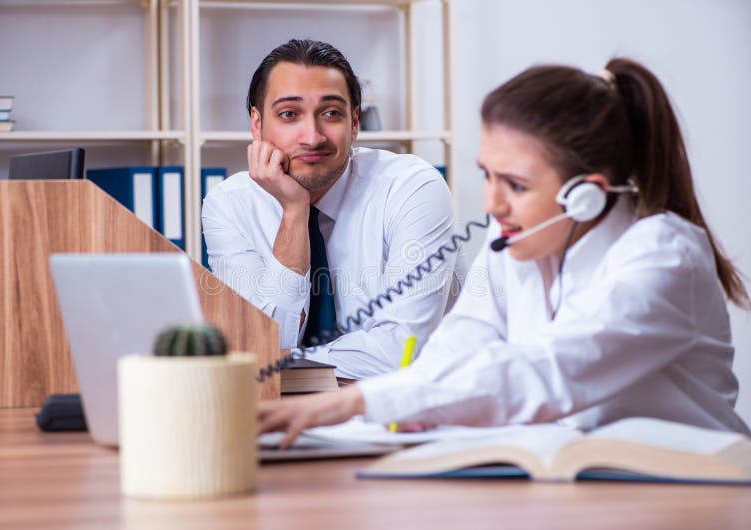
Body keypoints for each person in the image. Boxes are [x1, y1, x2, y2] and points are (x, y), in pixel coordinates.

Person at [259, 57, 751, 447]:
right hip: (585, 486)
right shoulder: (516, 244)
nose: (493, 204)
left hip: (698, 490)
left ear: (586, 194)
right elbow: (457, 352)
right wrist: (390, 410)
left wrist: (352, 402)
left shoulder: (664, 257)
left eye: (515, 185)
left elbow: (548, 372)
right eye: (487, 175)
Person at [201, 39, 462, 380]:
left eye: (331, 114)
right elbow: (258, 346)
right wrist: (294, 212)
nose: (312, 136)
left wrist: (280, 361)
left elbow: (399, 354)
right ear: (257, 123)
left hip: (406, 414)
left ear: (354, 122)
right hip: (286, 412)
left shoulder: (412, 187)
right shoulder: (229, 204)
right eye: (289, 114)